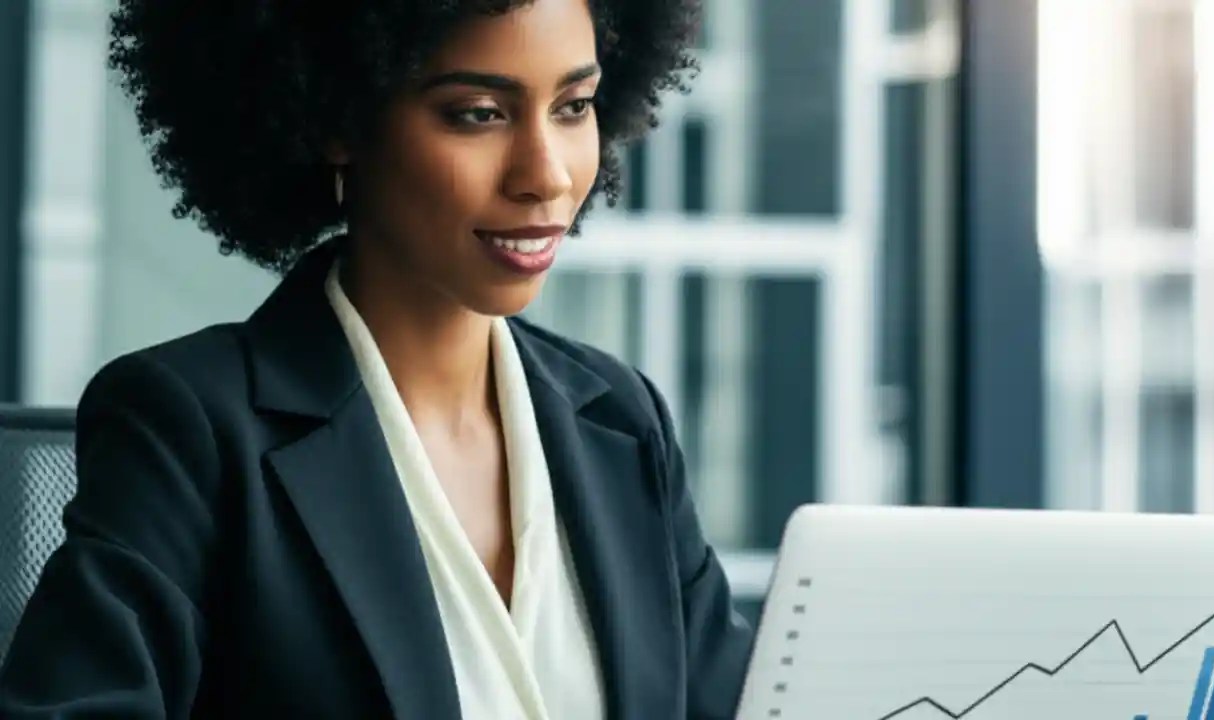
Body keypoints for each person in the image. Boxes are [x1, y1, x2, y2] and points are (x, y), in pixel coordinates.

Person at [0, 0, 755, 717]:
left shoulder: (621, 420)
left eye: (573, 107)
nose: (547, 174)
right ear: (340, 118)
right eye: (479, 115)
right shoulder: (191, 427)